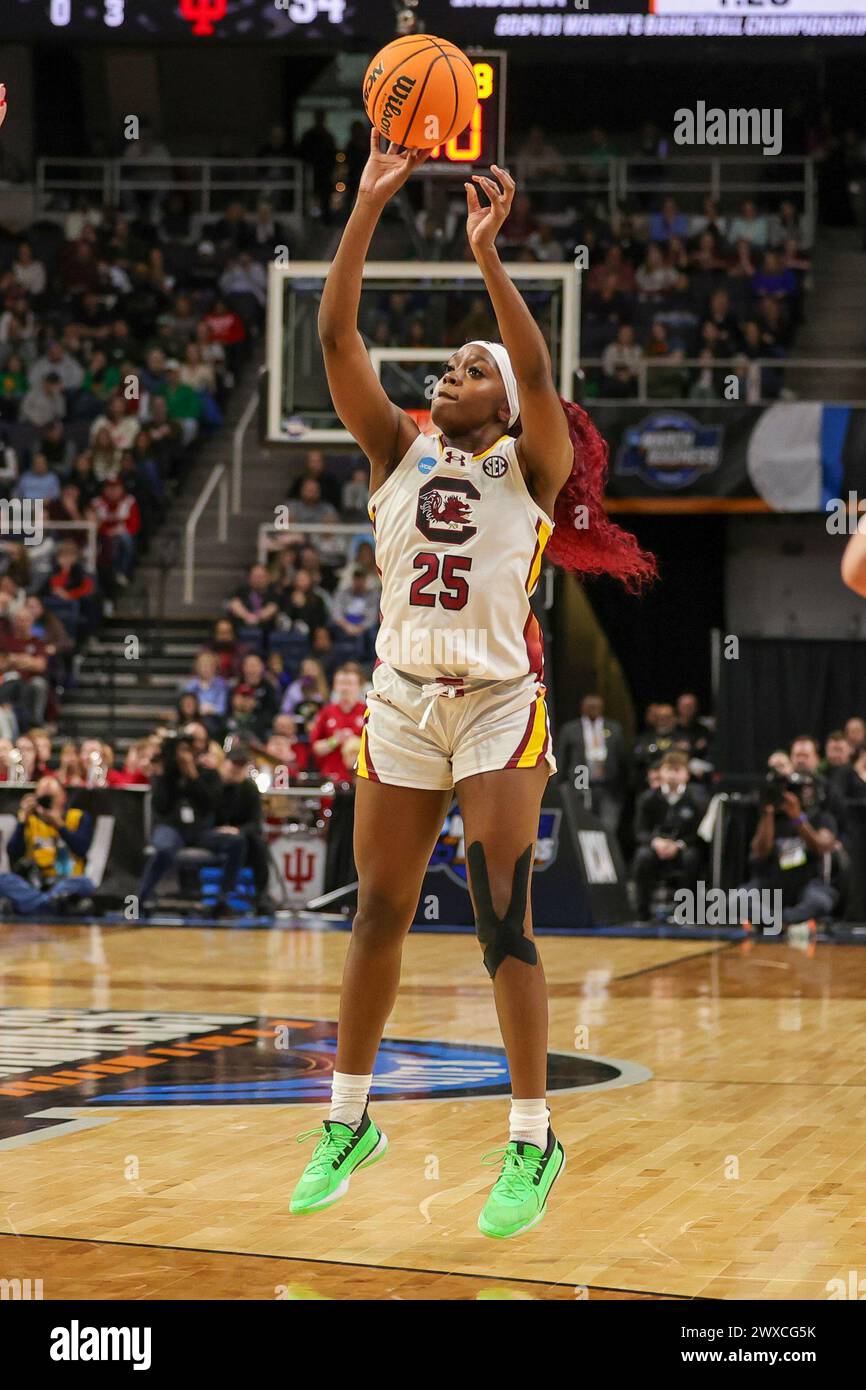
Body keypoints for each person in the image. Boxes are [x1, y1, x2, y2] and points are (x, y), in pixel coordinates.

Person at [287, 134, 655, 1236]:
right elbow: (334, 332)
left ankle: (531, 1140)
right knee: (379, 916)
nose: (454, 366)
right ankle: (348, 1118)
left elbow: (536, 372)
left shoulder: (527, 465)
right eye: (449, 361)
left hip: (498, 701)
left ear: (500, 404)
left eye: (471, 364)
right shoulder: (392, 448)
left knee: (502, 919)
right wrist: (365, 203)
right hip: (399, 696)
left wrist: (489, 257)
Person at [136, 733, 246, 917]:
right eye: (180, 750)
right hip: (172, 828)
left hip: (200, 831)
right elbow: (161, 805)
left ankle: (222, 900)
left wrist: (192, 774)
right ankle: (141, 899)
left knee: (237, 842)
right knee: (164, 848)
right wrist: (163, 775)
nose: (183, 756)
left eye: (188, 750)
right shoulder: (165, 774)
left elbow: (211, 803)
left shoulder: (209, 774)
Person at [0, 776, 97, 916]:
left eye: (51, 797)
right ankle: (51, 904)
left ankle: (35, 905)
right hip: (36, 883)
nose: (46, 802)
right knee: (3, 880)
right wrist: (21, 823)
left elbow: (82, 849)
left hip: (68, 881)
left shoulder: (77, 817)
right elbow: (13, 853)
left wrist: (60, 826)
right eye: (42, 798)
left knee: (84, 883)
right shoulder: (29, 820)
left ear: (63, 797)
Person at [631, 751, 708, 922]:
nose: (672, 775)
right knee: (642, 857)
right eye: (668, 770)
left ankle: (687, 912)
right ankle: (642, 913)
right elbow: (639, 830)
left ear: (687, 775)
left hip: (683, 847)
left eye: (677, 770)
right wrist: (655, 841)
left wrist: (678, 845)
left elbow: (701, 832)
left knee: (692, 858)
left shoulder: (696, 800)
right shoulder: (648, 798)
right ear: (661, 773)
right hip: (656, 847)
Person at [555, 694, 629, 839]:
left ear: (602, 708)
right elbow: (562, 758)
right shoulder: (570, 729)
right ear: (582, 708)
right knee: (581, 825)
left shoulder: (614, 728)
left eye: (596, 707)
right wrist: (559, 784)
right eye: (590, 707)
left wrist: (623, 786)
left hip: (608, 786)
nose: (593, 709)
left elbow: (623, 759)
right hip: (580, 783)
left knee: (608, 827)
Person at [215, 744, 273, 914]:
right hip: (213, 834)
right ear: (225, 763)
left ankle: (261, 895)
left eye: (241, 765)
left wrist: (238, 831)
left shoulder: (249, 789)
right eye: (234, 763)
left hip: (239, 836)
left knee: (258, 844)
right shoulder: (213, 784)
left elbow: (255, 822)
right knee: (238, 842)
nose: (237, 769)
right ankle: (223, 897)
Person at [308, 664, 367, 781]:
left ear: (358, 686)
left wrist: (356, 743)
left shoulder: (367, 711)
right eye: (341, 683)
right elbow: (316, 747)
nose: (345, 688)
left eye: (349, 683)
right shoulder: (326, 712)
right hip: (332, 778)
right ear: (335, 686)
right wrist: (335, 740)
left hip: (360, 779)